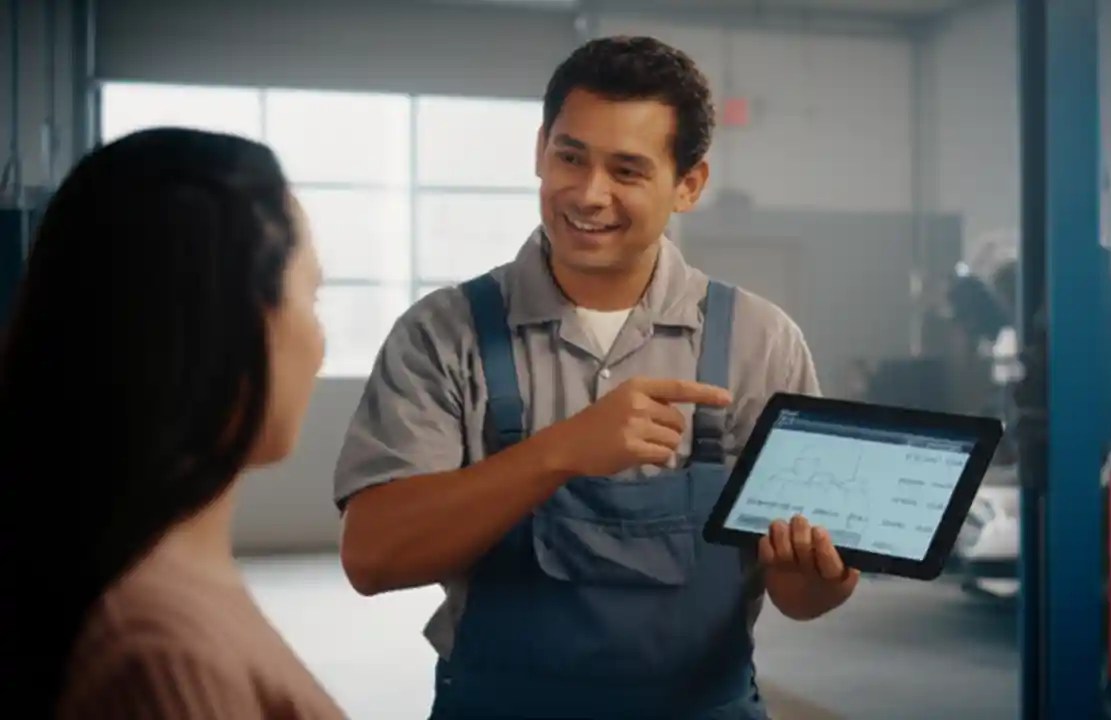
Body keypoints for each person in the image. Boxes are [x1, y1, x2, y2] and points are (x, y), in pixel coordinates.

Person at [334, 36, 860, 719]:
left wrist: (820, 572)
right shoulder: (443, 333)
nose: (588, 193)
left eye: (628, 170)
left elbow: (802, 599)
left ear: (689, 185)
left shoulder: (760, 341)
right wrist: (560, 453)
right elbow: (373, 558)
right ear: (539, 150)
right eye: (570, 157)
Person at [0, 128, 345, 719]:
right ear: (234, 323)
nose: (320, 343)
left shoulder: (162, 580)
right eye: (310, 300)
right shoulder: (161, 657)